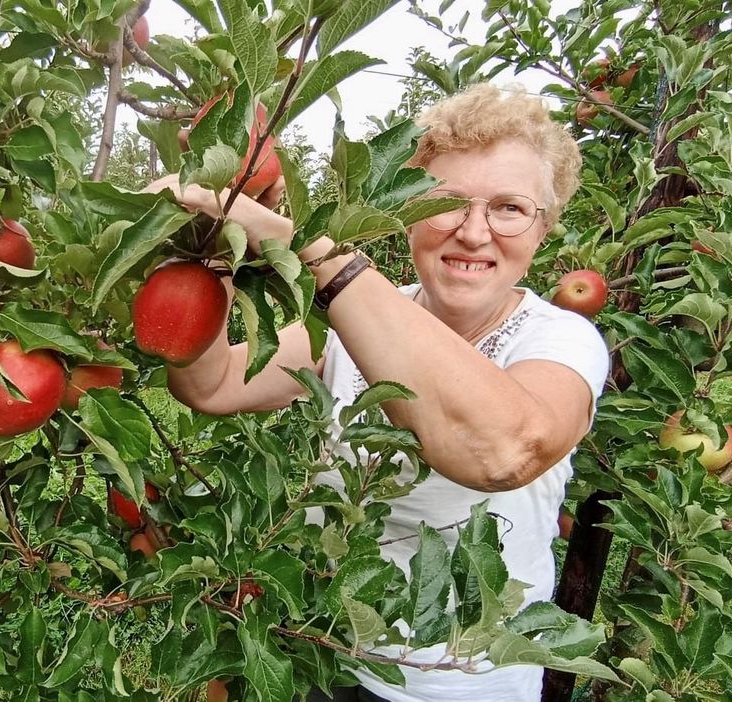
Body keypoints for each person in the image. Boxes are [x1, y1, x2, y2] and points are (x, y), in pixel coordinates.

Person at [145, 84, 610, 702]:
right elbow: (210, 382)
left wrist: (302, 243)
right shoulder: (357, 318)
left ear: (544, 229)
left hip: (461, 687)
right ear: (409, 211)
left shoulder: (562, 341)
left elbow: (503, 449)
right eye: (446, 204)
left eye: (509, 208)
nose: (473, 233)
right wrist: (221, 241)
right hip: (324, 658)